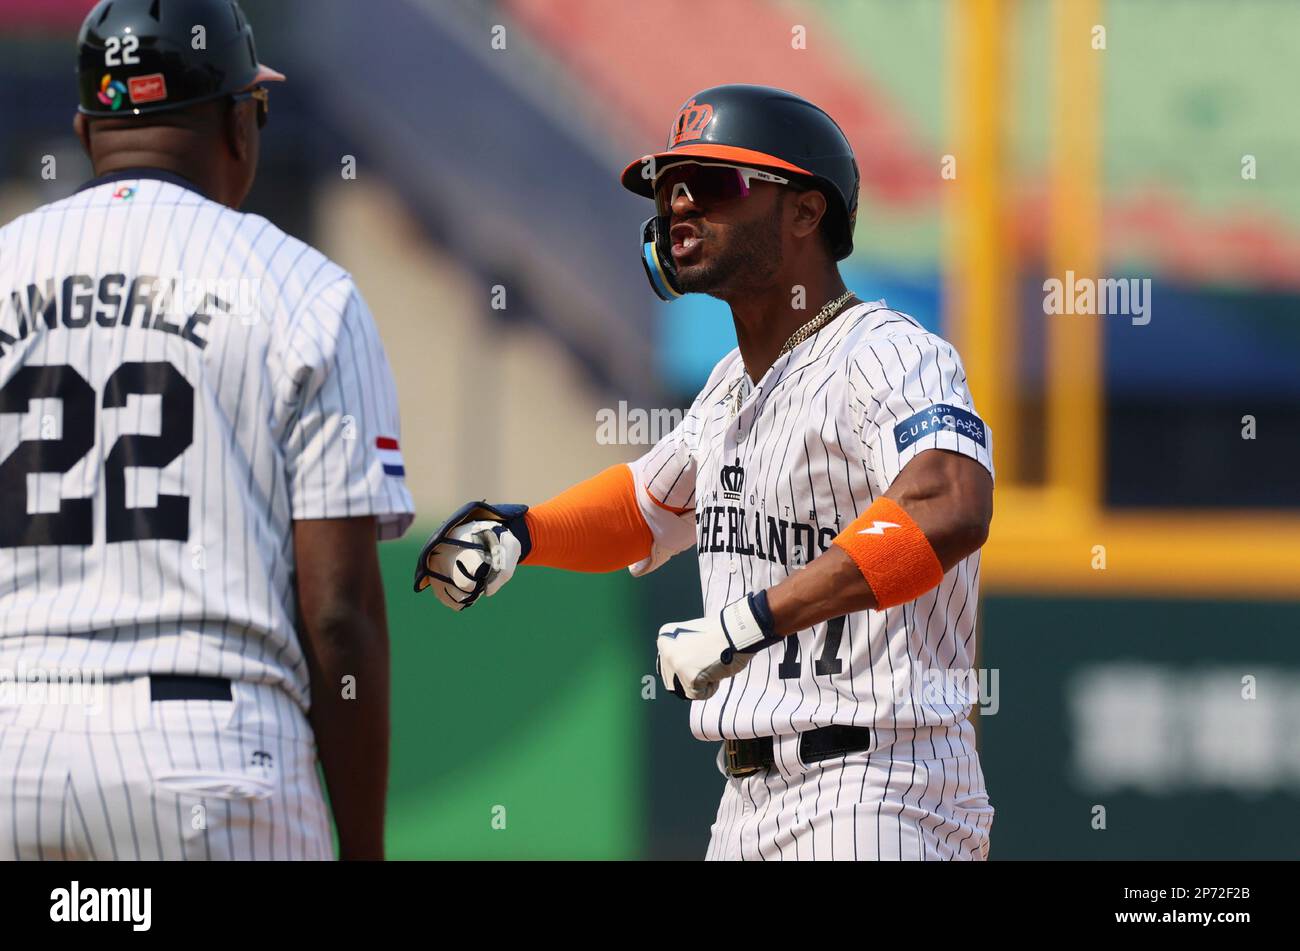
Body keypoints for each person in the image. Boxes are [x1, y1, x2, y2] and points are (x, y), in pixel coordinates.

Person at [415, 83, 995, 860]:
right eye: (667, 186)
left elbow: (949, 504)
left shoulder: (886, 353)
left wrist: (748, 621)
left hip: (879, 783)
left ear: (805, 211)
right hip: (747, 800)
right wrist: (523, 530)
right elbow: (645, 505)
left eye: (714, 183)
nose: (679, 203)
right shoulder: (730, 385)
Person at [0, 0, 413, 860]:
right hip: (208, 753)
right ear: (238, 120)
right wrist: (365, 848)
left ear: (86, 131)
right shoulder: (303, 288)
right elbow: (337, 612)